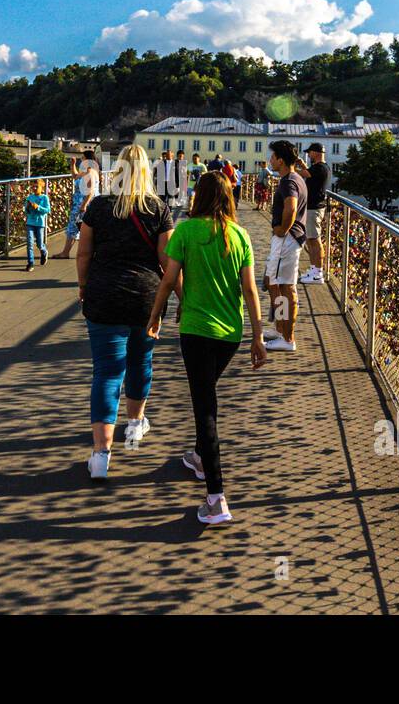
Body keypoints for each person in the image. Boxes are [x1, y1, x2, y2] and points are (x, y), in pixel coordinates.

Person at [148, 171, 266, 525]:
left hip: (197, 330)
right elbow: (250, 291)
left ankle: (216, 498)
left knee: (205, 408)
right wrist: (257, 335)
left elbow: (168, 279)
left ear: (197, 196)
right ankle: (200, 457)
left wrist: (155, 317)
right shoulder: (240, 235)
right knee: (206, 391)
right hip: (230, 333)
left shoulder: (186, 229)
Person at [76, 144, 176, 480]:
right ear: (148, 171)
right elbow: (167, 262)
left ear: (117, 170)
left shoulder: (100, 208)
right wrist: (182, 298)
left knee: (106, 374)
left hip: (103, 296)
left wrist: (83, 286)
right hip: (146, 299)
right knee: (139, 362)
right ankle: (134, 427)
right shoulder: (158, 209)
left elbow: (83, 254)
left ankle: (101, 456)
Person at [262, 140, 307, 353]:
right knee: (276, 284)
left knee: (286, 287)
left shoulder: (288, 181)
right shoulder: (295, 178)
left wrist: (282, 228)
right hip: (288, 239)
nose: (270, 160)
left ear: (280, 160)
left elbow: (291, 206)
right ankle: (280, 331)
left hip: (287, 239)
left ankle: (288, 339)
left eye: (272, 157)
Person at [294, 143, 331, 285]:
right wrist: (303, 165)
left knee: (315, 241)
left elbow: (304, 174)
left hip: (314, 208)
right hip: (312, 207)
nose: (308, 155)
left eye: (310, 152)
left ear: (316, 153)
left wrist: (291, 167)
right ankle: (314, 270)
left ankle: (318, 273)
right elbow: (309, 173)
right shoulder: (321, 167)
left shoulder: (320, 168)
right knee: (311, 239)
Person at [55, 151, 100, 259]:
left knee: (74, 228)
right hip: (81, 203)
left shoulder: (90, 172)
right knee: (82, 228)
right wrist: (73, 164)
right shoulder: (87, 171)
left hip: (83, 205)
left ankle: (66, 253)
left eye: (83, 158)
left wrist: (83, 206)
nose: (82, 160)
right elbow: (75, 176)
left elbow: (91, 191)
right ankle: (69, 252)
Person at [23, 179, 51, 272]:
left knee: (39, 243)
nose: (34, 188)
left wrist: (37, 207)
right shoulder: (29, 197)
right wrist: (27, 208)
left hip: (40, 223)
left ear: (41, 187)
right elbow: (26, 211)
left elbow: (47, 210)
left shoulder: (44, 198)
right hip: (30, 222)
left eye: (36, 187)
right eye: (33, 187)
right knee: (30, 243)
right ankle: (30, 263)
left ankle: (44, 252)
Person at [152, 149, 186, 216]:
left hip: (172, 184)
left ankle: (169, 211)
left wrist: (178, 185)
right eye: (166, 155)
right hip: (163, 183)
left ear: (172, 155)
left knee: (170, 198)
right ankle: (162, 210)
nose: (167, 156)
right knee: (162, 198)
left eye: (169, 155)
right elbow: (158, 173)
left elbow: (177, 174)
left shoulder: (176, 163)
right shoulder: (162, 162)